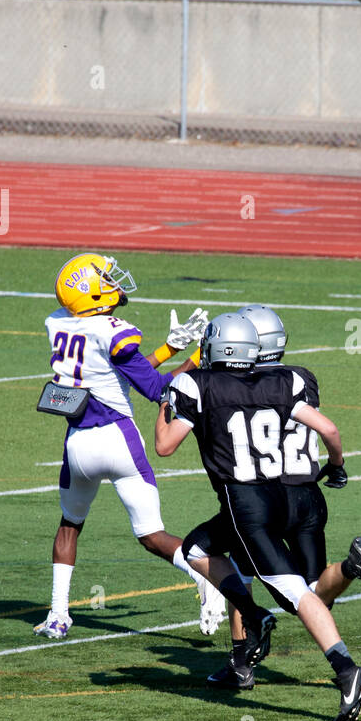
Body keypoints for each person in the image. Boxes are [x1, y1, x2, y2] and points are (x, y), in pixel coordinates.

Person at [33, 253, 265, 651]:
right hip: (118, 440)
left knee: (69, 525)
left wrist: (168, 347)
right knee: (151, 535)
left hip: (77, 443)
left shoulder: (59, 323)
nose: (114, 282)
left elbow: (120, 368)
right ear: (91, 292)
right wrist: (196, 357)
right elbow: (158, 389)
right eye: (105, 278)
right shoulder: (114, 331)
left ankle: (57, 615)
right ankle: (204, 579)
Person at [155, 312, 361, 721]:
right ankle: (252, 623)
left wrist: (166, 400)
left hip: (248, 504)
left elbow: (164, 446)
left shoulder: (197, 384)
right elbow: (327, 428)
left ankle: (347, 671)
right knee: (196, 547)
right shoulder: (277, 382)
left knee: (298, 595)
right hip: (287, 491)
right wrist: (338, 464)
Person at [205, 304, 361, 691]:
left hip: (264, 490)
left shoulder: (244, 383)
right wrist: (336, 464)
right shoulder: (301, 377)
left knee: (252, 575)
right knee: (312, 591)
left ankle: (242, 661)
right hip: (307, 490)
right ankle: (350, 568)